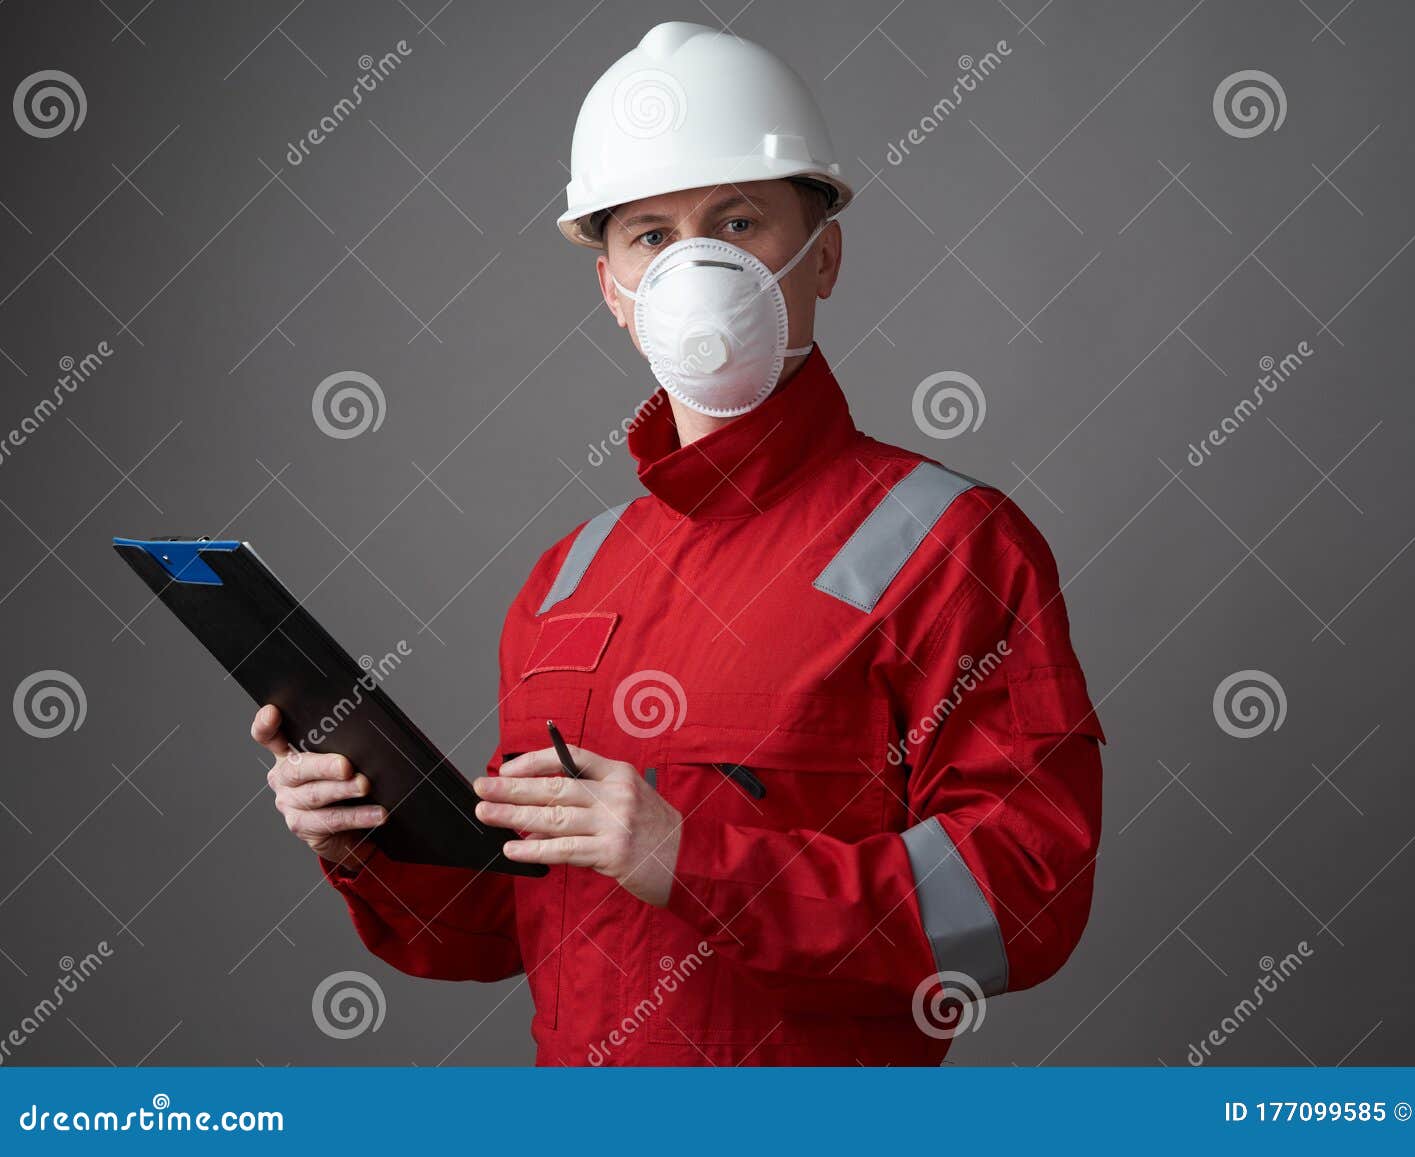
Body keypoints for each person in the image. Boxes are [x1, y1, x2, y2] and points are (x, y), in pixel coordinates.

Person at [252, 20, 1104, 1066]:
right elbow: (504, 931)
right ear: (613, 288)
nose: (696, 264)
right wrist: (368, 842)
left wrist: (685, 854)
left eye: (737, 220)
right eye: (650, 234)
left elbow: (1021, 897)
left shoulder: (950, 543)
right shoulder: (567, 578)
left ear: (823, 253)